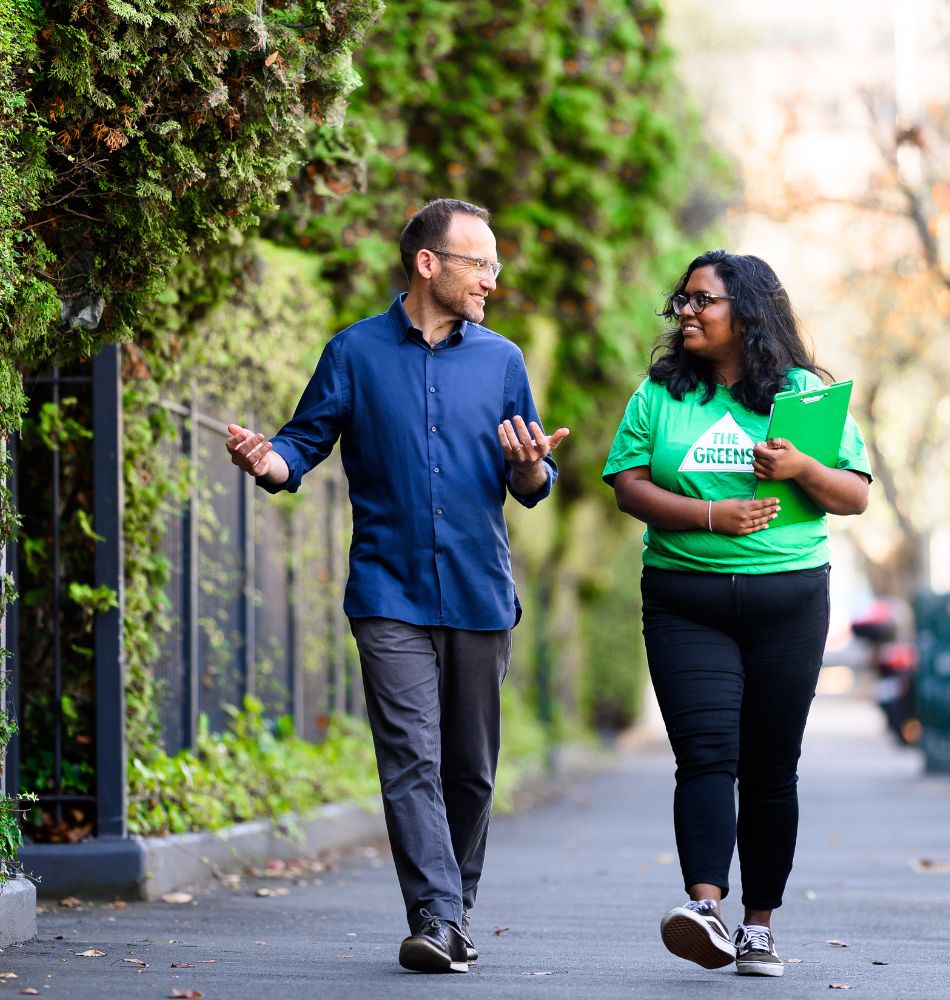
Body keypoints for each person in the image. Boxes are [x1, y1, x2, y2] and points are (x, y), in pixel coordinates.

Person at [224, 198, 566, 974]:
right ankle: (436, 918)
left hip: (479, 591)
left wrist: (528, 468)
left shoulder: (503, 361)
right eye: (479, 264)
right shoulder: (353, 353)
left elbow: (534, 479)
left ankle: (456, 913)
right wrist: (266, 461)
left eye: (494, 265)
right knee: (410, 758)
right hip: (388, 592)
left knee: (470, 770)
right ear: (427, 263)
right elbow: (299, 446)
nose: (492, 280)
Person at [601, 249, 870, 978]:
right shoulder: (660, 394)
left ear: (747, 313)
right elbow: (627, 485)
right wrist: (710, 515)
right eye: (683, 301)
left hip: (789, 601)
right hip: (685, 599)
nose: (685, 312)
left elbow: (853, 495)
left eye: (703, 301)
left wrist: (802, 469)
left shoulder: (804, 395)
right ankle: (705, 911)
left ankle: (759, 927)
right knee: (705, 756)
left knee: (771, 767)